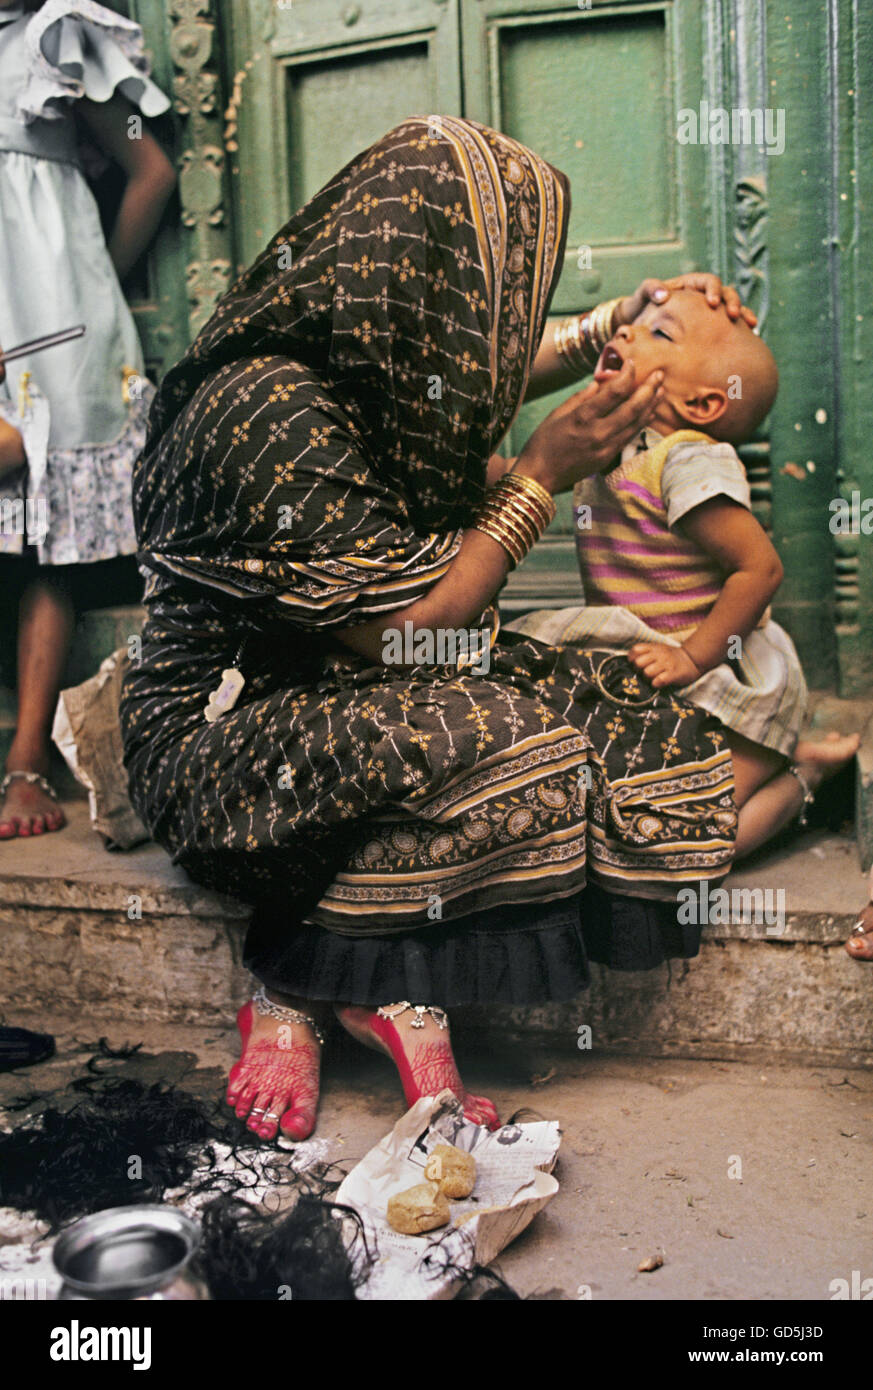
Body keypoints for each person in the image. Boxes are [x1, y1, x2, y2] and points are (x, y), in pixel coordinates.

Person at [121, 115, 749, 1145]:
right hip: (220, 732)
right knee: (512, 751)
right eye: (490, 298)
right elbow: (409, 635)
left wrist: (632, 320)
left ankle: (383, 982)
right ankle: (292, 980)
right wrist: (543, 475)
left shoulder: (371, 354)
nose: (498, 327)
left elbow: (484, 377)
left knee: (631, 723)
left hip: (354, 683)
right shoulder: (265, 407)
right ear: (420, 279)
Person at [0, 0, 175, 840]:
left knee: (45, 535)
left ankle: (26, 759)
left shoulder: (57, 38)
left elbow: (152, 173)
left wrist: (92, 284)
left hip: (52, 317)